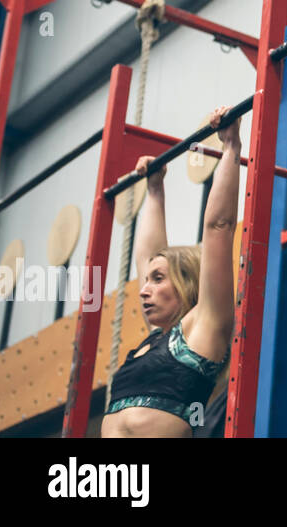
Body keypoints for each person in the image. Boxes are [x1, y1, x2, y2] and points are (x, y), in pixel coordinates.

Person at [101, 106, 241, 438]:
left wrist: (231, 145)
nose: (144, 289)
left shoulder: (202, 327)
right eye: (146, 280)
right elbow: (149, 256)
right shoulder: (156, 337)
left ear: (188, 283)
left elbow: (218, 227)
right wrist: (154, 189)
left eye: (158, 280)